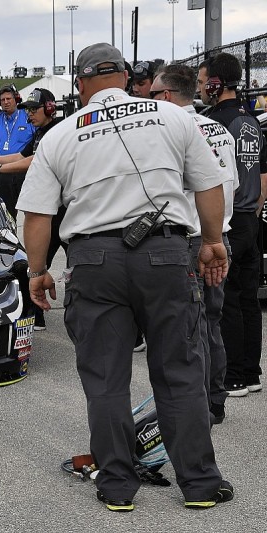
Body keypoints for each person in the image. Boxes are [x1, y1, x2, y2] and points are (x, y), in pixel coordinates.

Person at [17, 43, 232, 512]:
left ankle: (116, 486)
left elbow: (36, 215)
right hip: (165, 253)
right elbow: (208, 182)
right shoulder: (173, 117)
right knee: (180, 373)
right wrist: (213, 240)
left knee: (106, 380)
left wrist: (37, 271)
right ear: (128, 76)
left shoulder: (60, 134)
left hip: (94, 261)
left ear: (79, 86)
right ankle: (199, 484)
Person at [151, 64, 238, 424]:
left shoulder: (168, 132)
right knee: (211, 323)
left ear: (167, 96)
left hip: (189, 240)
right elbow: (228, 184)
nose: (148, 100)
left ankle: (196, 405)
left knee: (189, 329)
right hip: (220, 236)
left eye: (153, 94)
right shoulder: (218, 129)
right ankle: (215, 400)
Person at [198, 52, 267, 397]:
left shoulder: (215, 122)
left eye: (202, 81)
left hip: (227, 219)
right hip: (251, 219)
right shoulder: (251, 119)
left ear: (215, 83)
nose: (200, 88)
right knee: (249, 298)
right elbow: (264, 176)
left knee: (228, 300)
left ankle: (234, 375)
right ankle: (251, 371)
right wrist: (253, 213)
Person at [0, 88, 64, 331]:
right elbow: (18, 155)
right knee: (36, 266)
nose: (29, 114)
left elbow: (34, 161)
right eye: (27, 109)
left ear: (49, 108)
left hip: (67, 211)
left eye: (34, 109)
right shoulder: (38, 133)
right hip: (51, 211)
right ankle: (37, 316)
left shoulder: (56, 132)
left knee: (83, 268)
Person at [0, 85, 35, 216]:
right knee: (6, 213)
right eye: (3, 99)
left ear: (16, 99)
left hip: (23, 171)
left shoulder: (28, 118)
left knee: (31, 211)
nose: (6, 102)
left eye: (9, 98)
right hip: (1, 172)